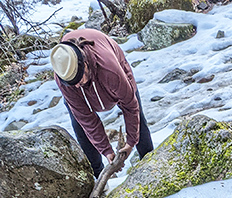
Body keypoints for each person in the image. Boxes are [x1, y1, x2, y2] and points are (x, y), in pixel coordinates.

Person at [50, 28, 154, 178]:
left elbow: (130, 106)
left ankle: (150, 162)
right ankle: (98, 174)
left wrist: (130, 142)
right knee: (80, 125)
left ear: (85, 64)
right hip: (82, 82)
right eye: (73, 83)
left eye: (79, 79)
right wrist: (106, 150)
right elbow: (87, 119)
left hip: (111, 64)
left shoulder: (110, 69)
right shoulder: (64, 78)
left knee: (138, 116)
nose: (77, 85)